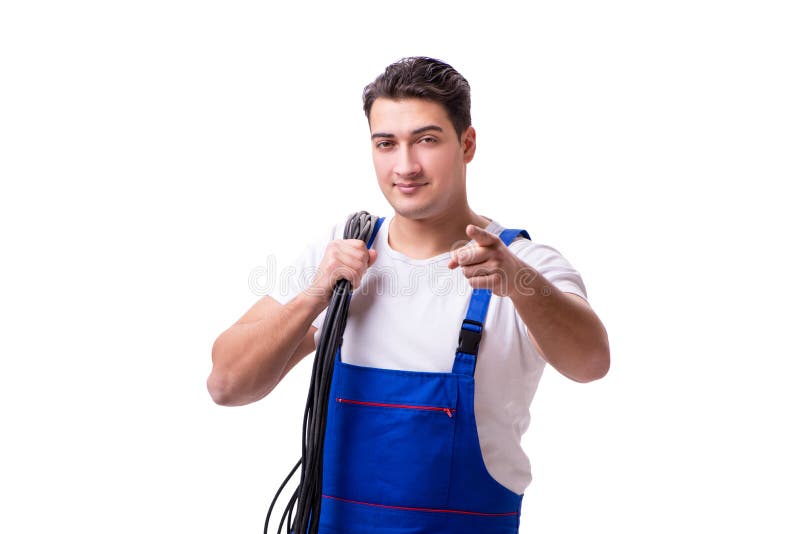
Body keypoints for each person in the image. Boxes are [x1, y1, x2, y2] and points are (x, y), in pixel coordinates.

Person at [208, 56, 610, 533]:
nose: (406, 166)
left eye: (426, 140)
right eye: (386, 144)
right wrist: (317, 294)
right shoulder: (340, 255)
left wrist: (518, 284)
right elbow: (226, 384)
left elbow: (591, 363)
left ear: (467, 143)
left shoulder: (525, 266)